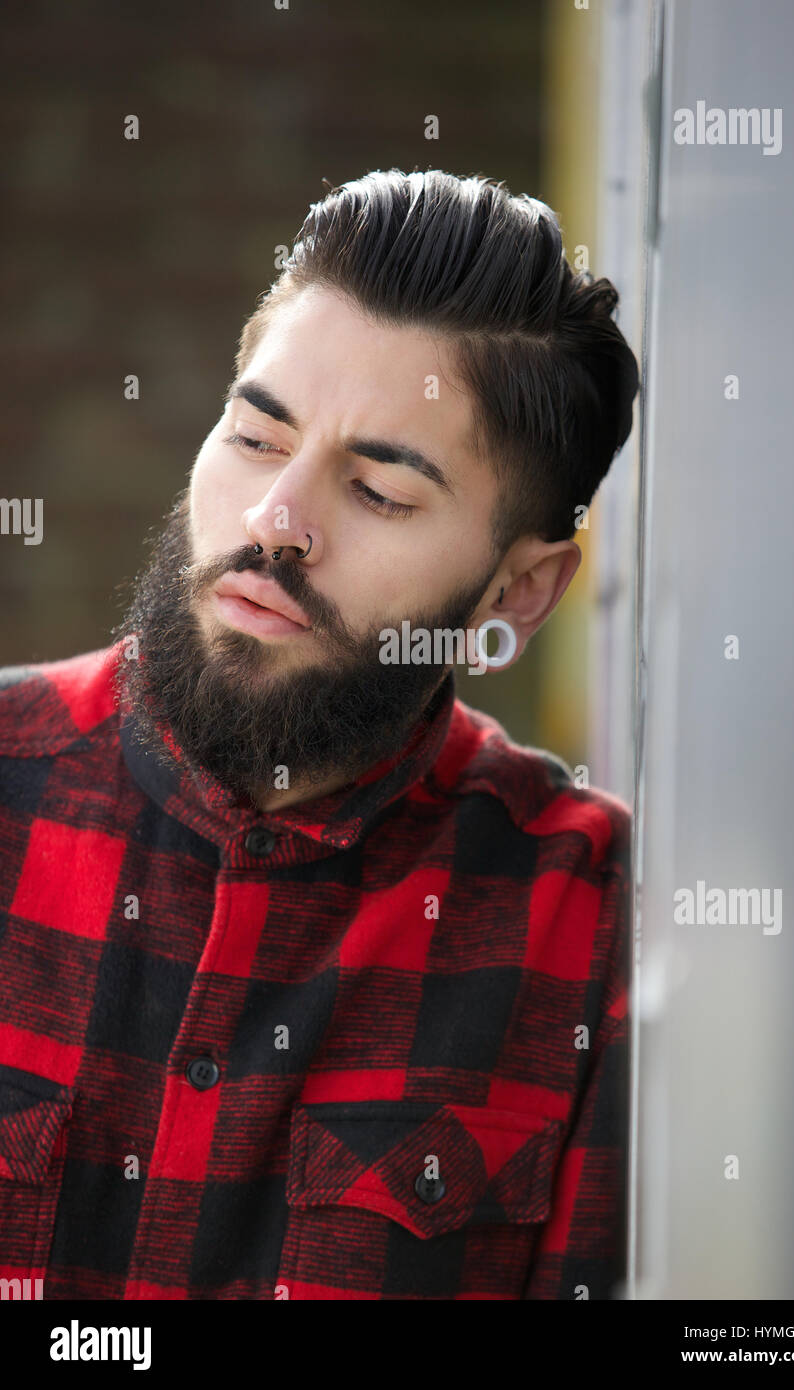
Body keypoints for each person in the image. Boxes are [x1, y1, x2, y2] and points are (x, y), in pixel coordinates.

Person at [0, 168, 638, 1300]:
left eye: (380, 493)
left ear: (517, 592)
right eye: (255, 436)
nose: (276, 521)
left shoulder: (586, 921)